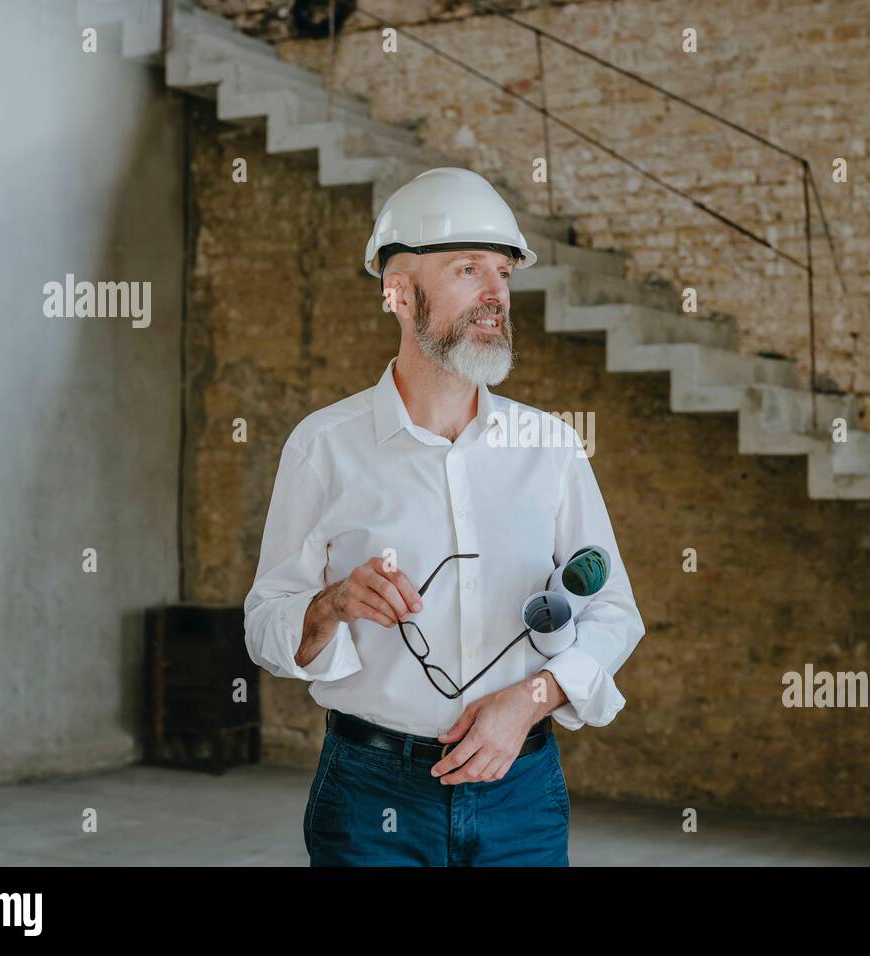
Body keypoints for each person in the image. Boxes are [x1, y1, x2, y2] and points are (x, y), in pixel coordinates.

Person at [243, 167, 645, 866]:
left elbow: (614, 613)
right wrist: (332, 603)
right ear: (399, 293)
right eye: (467, 269)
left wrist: (530, 699)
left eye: (503, 273)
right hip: (370, 799)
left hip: (521, 794)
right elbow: (264, 627)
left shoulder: (550, 446)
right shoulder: (323, 446)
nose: (496, 294)